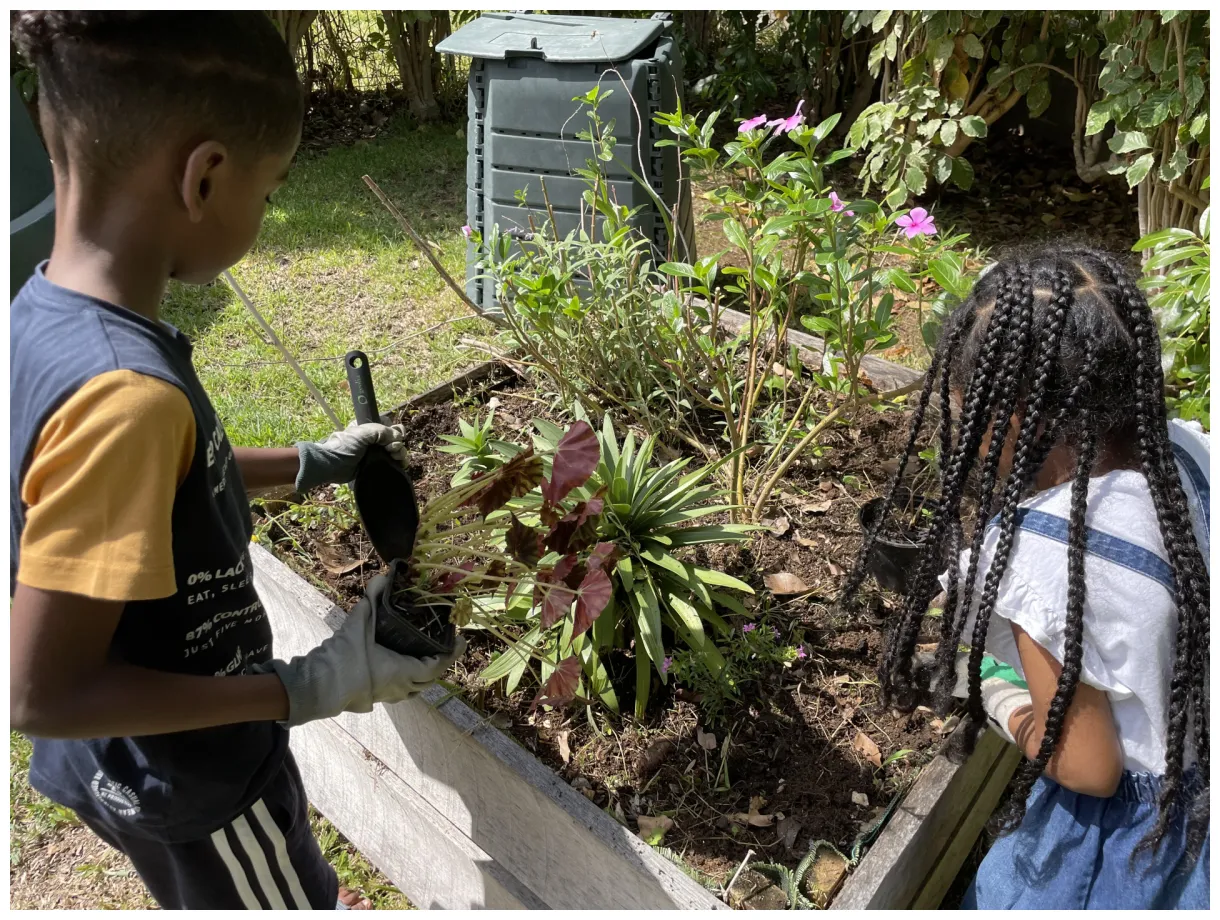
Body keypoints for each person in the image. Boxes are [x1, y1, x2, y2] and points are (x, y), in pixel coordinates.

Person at [9, 12, 463, 911]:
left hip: (133, 768)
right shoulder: (125, 397)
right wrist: (298, 689)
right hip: (196, 778)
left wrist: (308, 463)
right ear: (206, 176)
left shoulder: (45, 318)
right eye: (272, 190)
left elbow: (165, 478)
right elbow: (40, 694)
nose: (266, 210)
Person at [843, 246, 1210, 909]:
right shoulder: (1184, 453)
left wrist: (1001, 696)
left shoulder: (1045, 556)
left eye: (965, 400)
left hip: (1135, 841)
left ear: (1010, 419)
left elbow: (1090, 768)